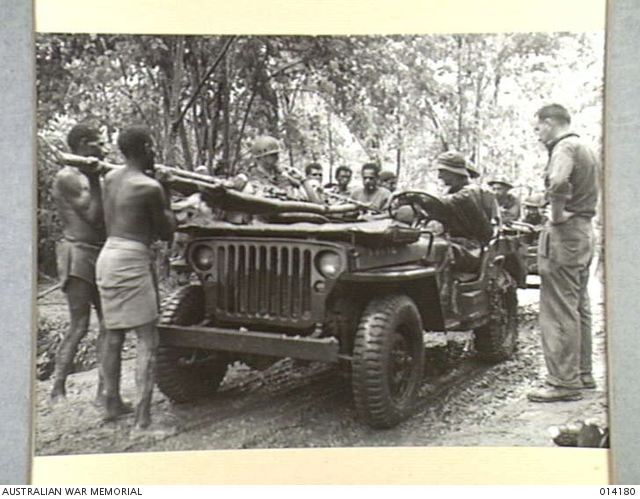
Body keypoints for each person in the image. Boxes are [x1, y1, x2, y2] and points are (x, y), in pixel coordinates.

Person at [96, 126, 176, 430]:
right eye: (152, 146)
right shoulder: (148, 186)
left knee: (113, 335)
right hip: (130, 258)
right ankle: (143, 419)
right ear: (144, 147)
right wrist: (165, 189)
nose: (154, 152)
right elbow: (166, 230)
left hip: (107, 255)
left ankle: (111, 403)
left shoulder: (111, 178)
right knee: (147, 341)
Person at [527, 104, 599, 403]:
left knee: (558, 309)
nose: (537, 134)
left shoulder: (564, 147)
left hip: (565, 235)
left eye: (538, 127)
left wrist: (556, 214)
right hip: (583, 231)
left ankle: (563, 382)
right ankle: (582, 374)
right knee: (578, 305)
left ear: (549, 123)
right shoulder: (585, 146)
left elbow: (558, 182)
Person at [50, 124, 115, 407]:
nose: (103, 149)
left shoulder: (93, 176)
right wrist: (95, 177)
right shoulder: (68, 176)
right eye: (98, 144)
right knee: (79, 325)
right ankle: (57, 389)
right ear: (84, 145)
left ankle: (105, 392)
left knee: (109, 324)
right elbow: (93, 216)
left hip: (99, 254)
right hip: (77, 253)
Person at [244, 135, 322, 204]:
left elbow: (315, 203)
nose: (277, 157)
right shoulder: (249, 179)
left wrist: (303, 180)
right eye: (273, 155)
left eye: (277, 154)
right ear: (260, 157)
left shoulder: (286, 177)